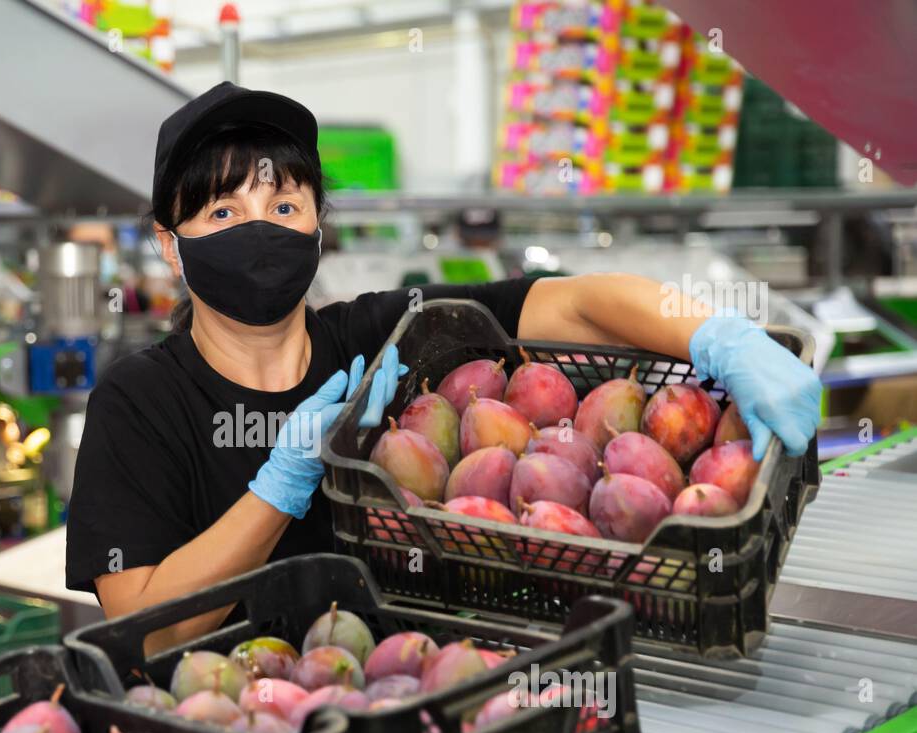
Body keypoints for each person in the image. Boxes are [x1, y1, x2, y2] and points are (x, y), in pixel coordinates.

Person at [65, 82, 822, 646]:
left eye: (285, 208)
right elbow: (147, 628)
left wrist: (722, 336)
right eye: (223, 214)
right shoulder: (139, 402)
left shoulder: (385, 340)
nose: (260, 232)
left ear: (319, 229)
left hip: (410, 697)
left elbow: (575, 303)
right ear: (170, 243)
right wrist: (284, 482)